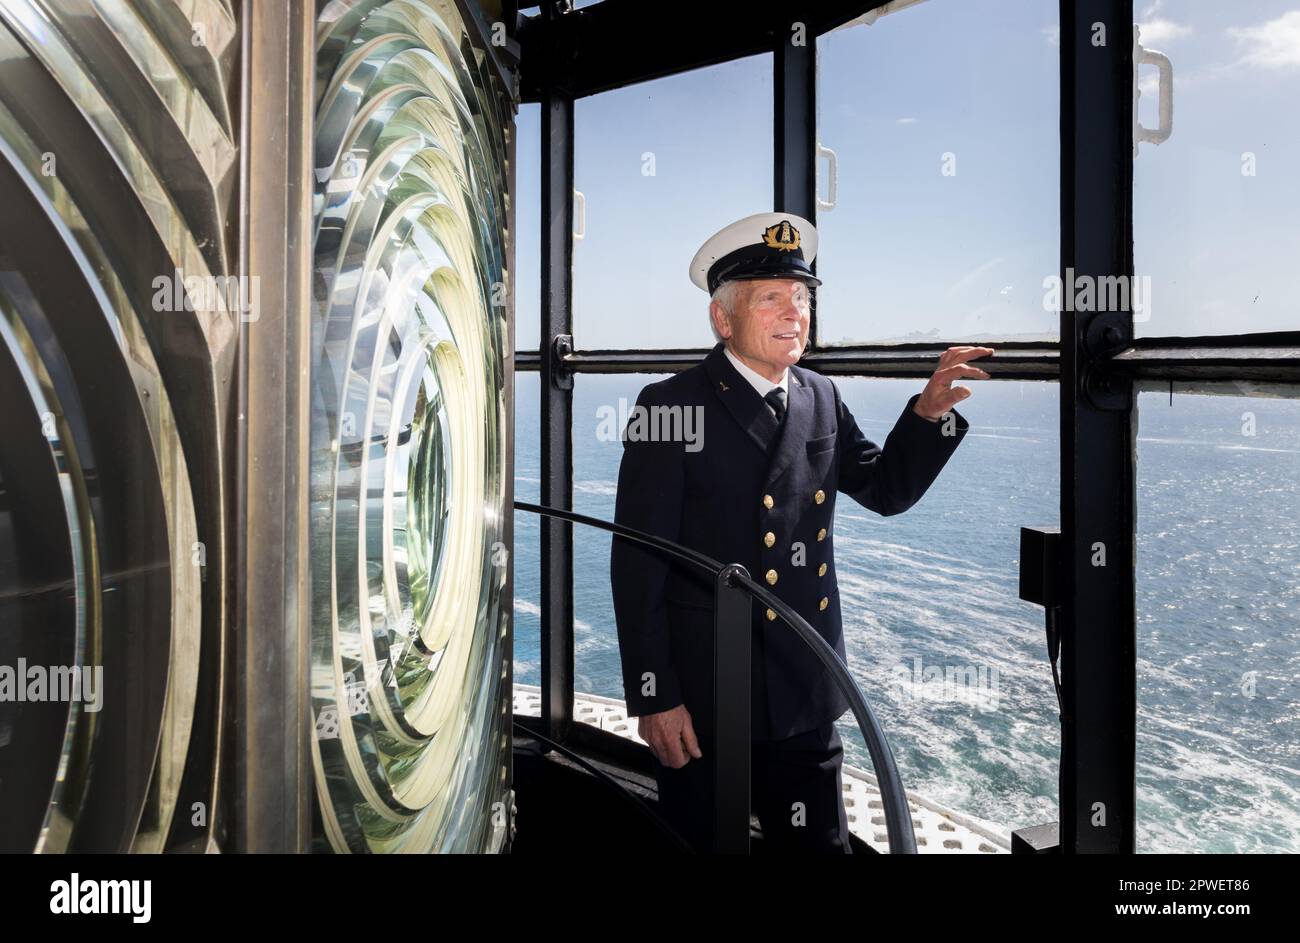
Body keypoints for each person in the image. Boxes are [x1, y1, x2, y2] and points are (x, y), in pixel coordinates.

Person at [609, 211, 992, 852]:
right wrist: (654, 697)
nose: (795, 313)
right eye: (772, 298)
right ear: (723, 319)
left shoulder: (820, 395)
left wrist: (930, 417)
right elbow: (636, 564)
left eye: (803, 297)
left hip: (803, 684)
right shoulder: (670, 406)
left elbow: (885, 490)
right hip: (706, 695)